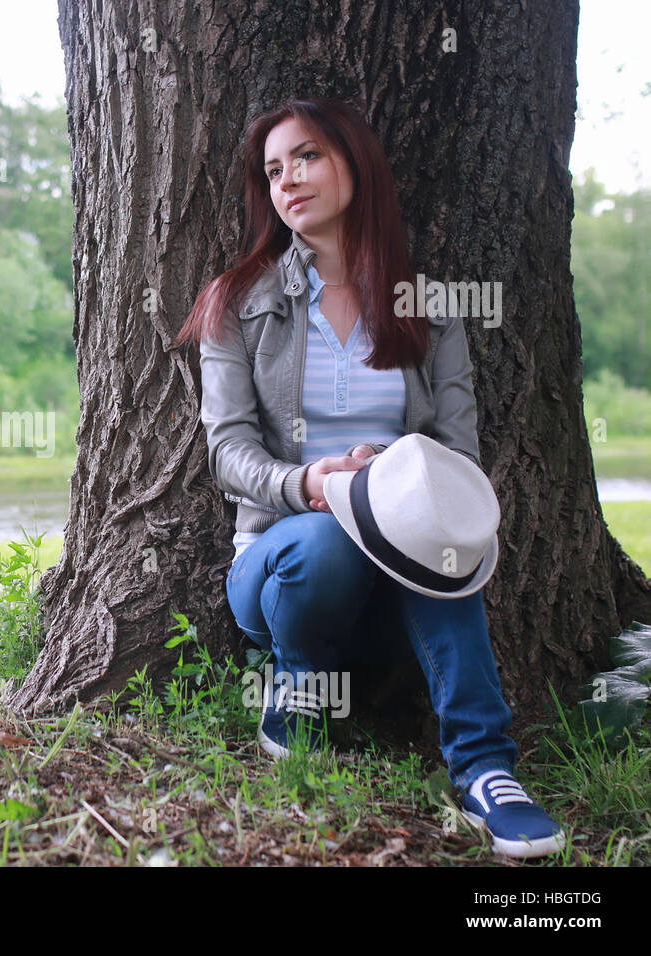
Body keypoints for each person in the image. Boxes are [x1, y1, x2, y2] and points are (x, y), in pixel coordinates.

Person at [175, 96, 567, 859]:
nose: (289, 180)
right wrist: (314, 482)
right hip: (282, 562)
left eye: (309, 157)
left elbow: (460, 455)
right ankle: (301, 690)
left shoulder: (427, 307)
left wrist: (403, 484)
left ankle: (488, 773)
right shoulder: (237, 302)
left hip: (402, 573)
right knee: (324, 541)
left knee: (436, 542)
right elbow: (227, 453)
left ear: (357, 163)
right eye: (274, 169)